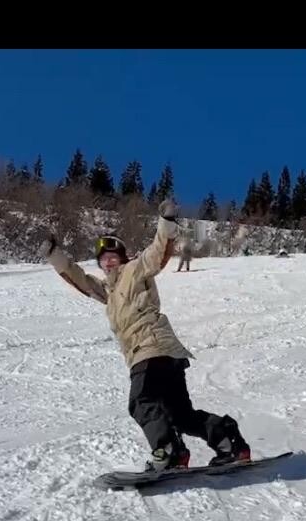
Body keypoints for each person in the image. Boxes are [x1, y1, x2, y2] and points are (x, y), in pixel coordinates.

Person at [41, 200, 252, 472]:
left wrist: (166, 221)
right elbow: (79, 279)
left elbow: (157, 253)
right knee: (181, 415)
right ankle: (229, 444)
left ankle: (169, 452)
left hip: (150, 349)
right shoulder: (108, 291)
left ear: (122, 257)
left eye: (113, 256)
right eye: (103, 259)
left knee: (141, 403)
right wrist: (55, 255)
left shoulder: (134, 270)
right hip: (165, 354)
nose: (107, 261)